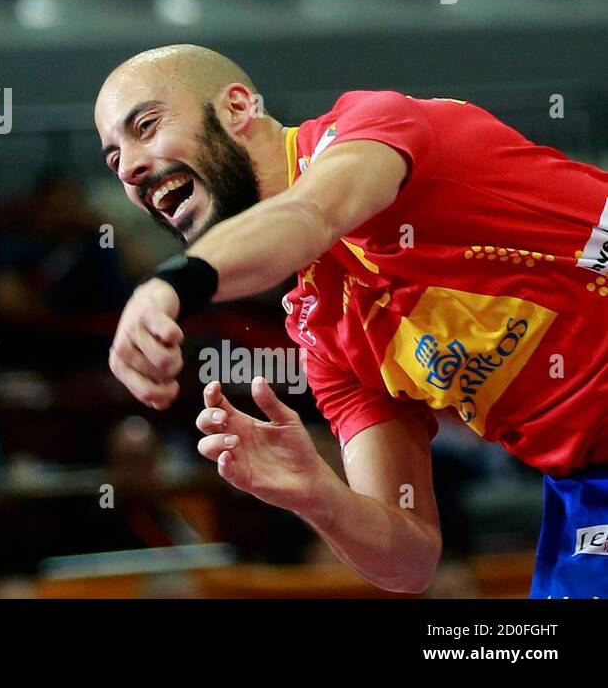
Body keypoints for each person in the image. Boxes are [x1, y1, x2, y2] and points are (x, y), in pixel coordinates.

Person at [96, 44, 608, 598]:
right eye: (113, 159)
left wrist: (170, 284)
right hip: (587, 482)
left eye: (146, 126)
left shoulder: (374, 127)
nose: (129, 166)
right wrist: (319, 496)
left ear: (239, 107)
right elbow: (411, 559)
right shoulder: (325, 334)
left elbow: (310, 213)